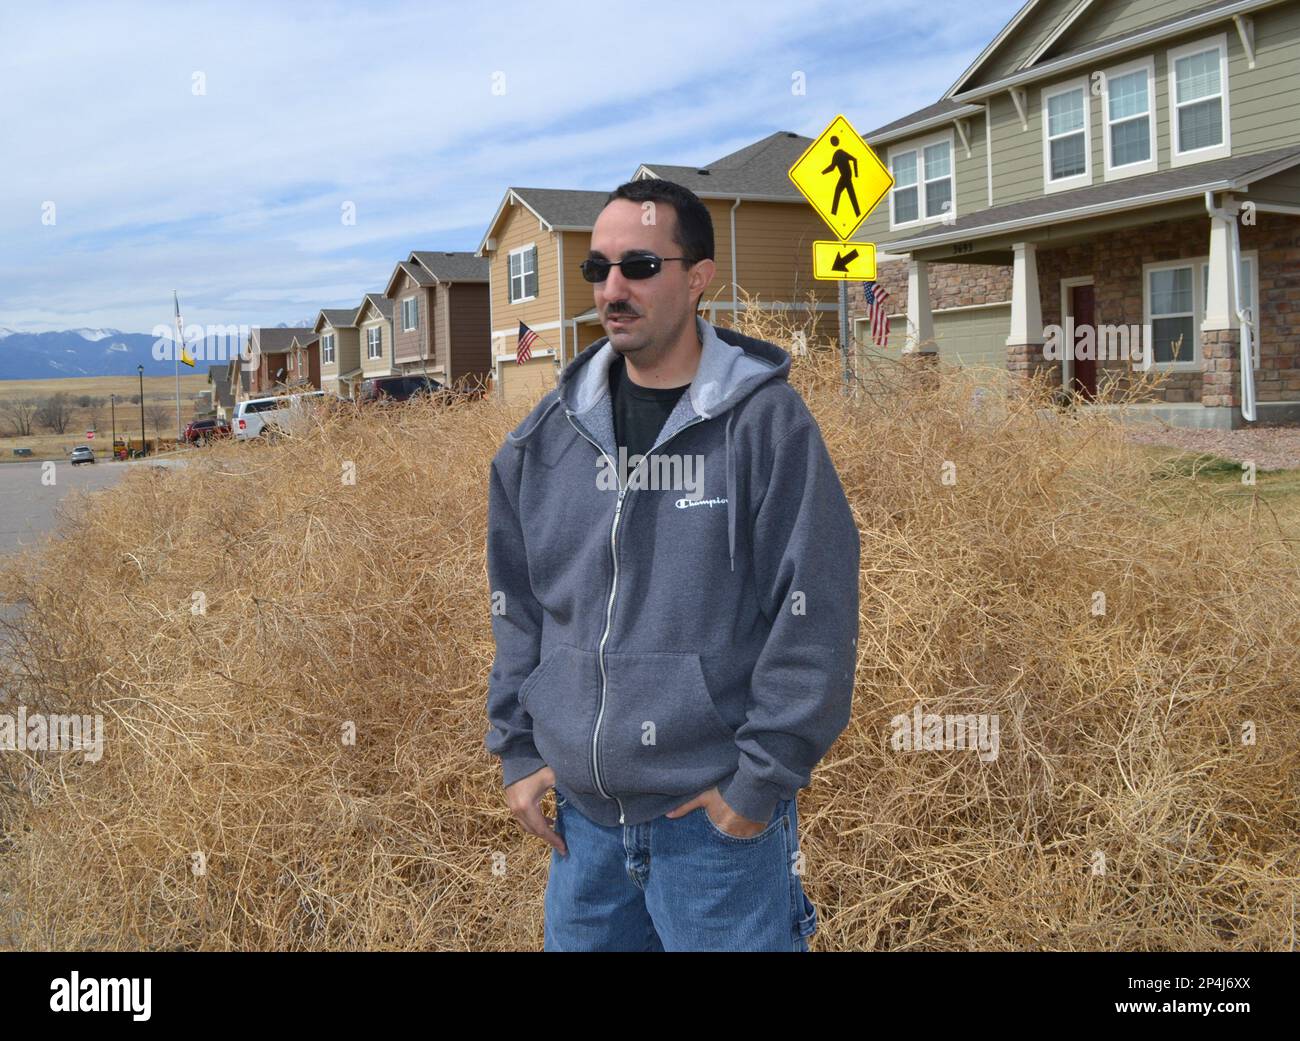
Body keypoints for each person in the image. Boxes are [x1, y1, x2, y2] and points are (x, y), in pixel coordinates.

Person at [484, 177, 860, 951]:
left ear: (698, 278)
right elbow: (516, 607)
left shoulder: (763, 425)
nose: (613, 288)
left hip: (714, 837)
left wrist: (756, 785)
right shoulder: (542, 441)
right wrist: (517, 748)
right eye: (598, 268)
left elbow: (815, 605)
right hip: (582, 837)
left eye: (640, 265)